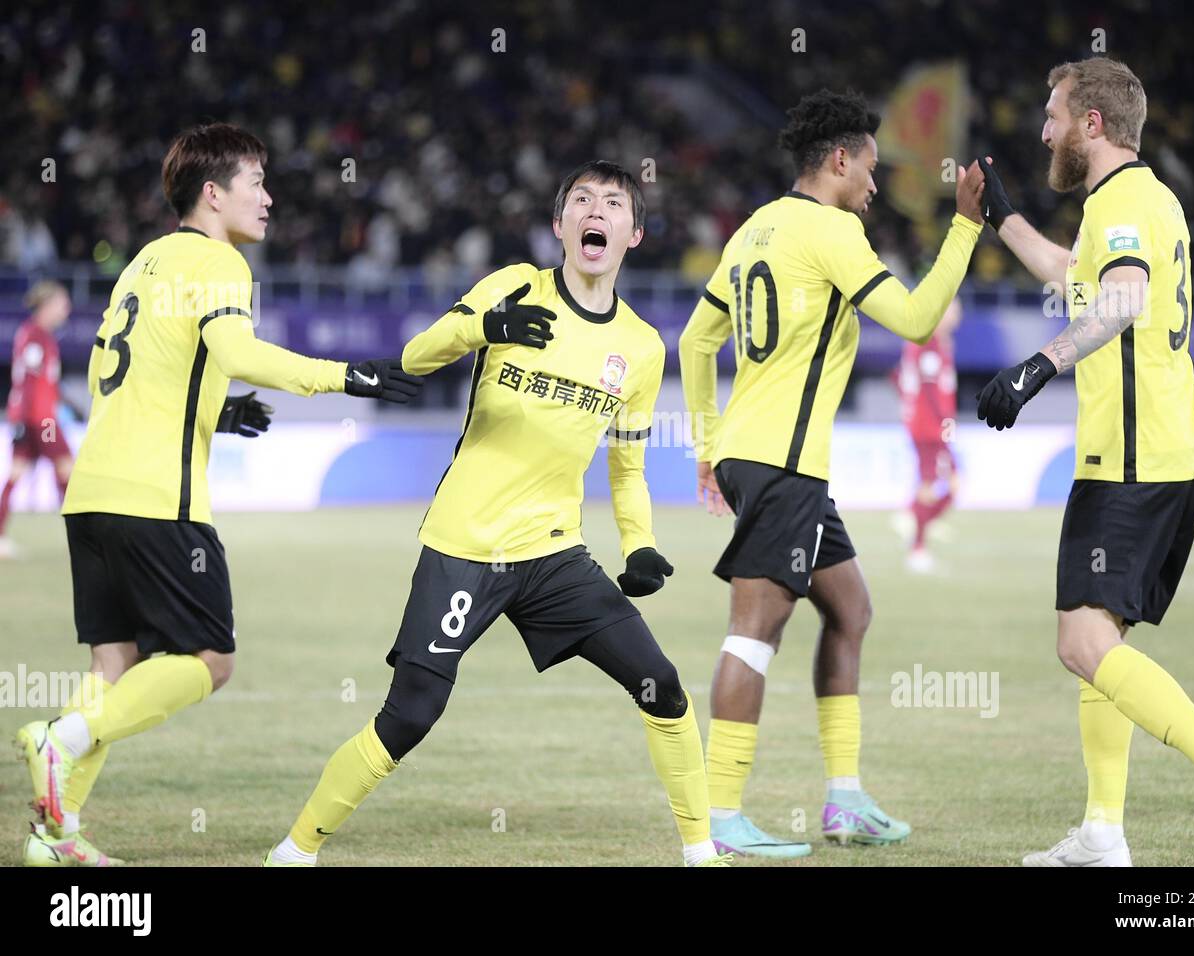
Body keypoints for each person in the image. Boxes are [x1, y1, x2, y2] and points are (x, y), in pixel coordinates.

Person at [265, 161, 728, 868]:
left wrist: (639, 545)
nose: (594, 210)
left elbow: (626, 464)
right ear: (559, 225)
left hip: (554, 553)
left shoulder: (637, 348)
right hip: (465, 543)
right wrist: (484, 326)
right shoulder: (512, 287)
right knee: (409, 717)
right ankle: (294, 852)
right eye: (580, 200)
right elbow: (414, 358)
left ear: (633, 233)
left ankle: (702, 854)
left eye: (612, 202)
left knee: (660, 686)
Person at [16, 123, 421, 867]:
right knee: (211, 656)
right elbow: (237, 352)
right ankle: (58, 740)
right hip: (155, 499)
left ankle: (55, 829)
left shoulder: (145, 261)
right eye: (257, 182)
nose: (269, 199)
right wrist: (349, 375)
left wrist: (219, 411)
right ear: (213, 193)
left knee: (115, 666)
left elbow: (143, 367)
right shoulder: (219, 262)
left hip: (94, 495)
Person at [975, 57, 1194, 866]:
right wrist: (1003, 220)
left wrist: (1034, 367)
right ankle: (1104, 833)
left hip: (1131, 458)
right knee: (1098, 641)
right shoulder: (1145, 198)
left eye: (1052, 115)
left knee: (1081, 644)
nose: (1043, 129)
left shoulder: (1119, 202)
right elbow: (1073, 273)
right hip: (1157, 452)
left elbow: (1119, 297)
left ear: (1092, 125)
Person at [678, 88, 985, 857]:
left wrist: (709, 446)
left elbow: (692, 341)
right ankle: (718, 821)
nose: (876, 187)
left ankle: (845, 801)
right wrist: (966, 228)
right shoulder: (832, 231)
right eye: (872, 170)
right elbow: (916, 322)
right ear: (839, 161)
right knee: (754, 634)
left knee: (849, 610)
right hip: (784, 464)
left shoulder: (754, 228)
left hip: (767, 458)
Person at [0, 281, 76, 558]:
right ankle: (79, 537)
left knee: (15, 475)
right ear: (48, 305)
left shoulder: (36, 335)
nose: (66, 308)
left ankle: (0, 537)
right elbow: (32, 383)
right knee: (68, 472)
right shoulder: (36, 336)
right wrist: (26, 419)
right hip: (41, 421)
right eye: (62, 303)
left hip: (31, 418)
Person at [894, 297, 962, 572]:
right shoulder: (930, 342)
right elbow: (933, 392)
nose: (958, 317)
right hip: (930, 428)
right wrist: (945, 425)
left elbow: (899, 378)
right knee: (936, 485)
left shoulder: (928, 341)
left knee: (941, 483)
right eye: (954, 311)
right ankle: (917, 545)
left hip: (925, 425)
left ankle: (915, 518)